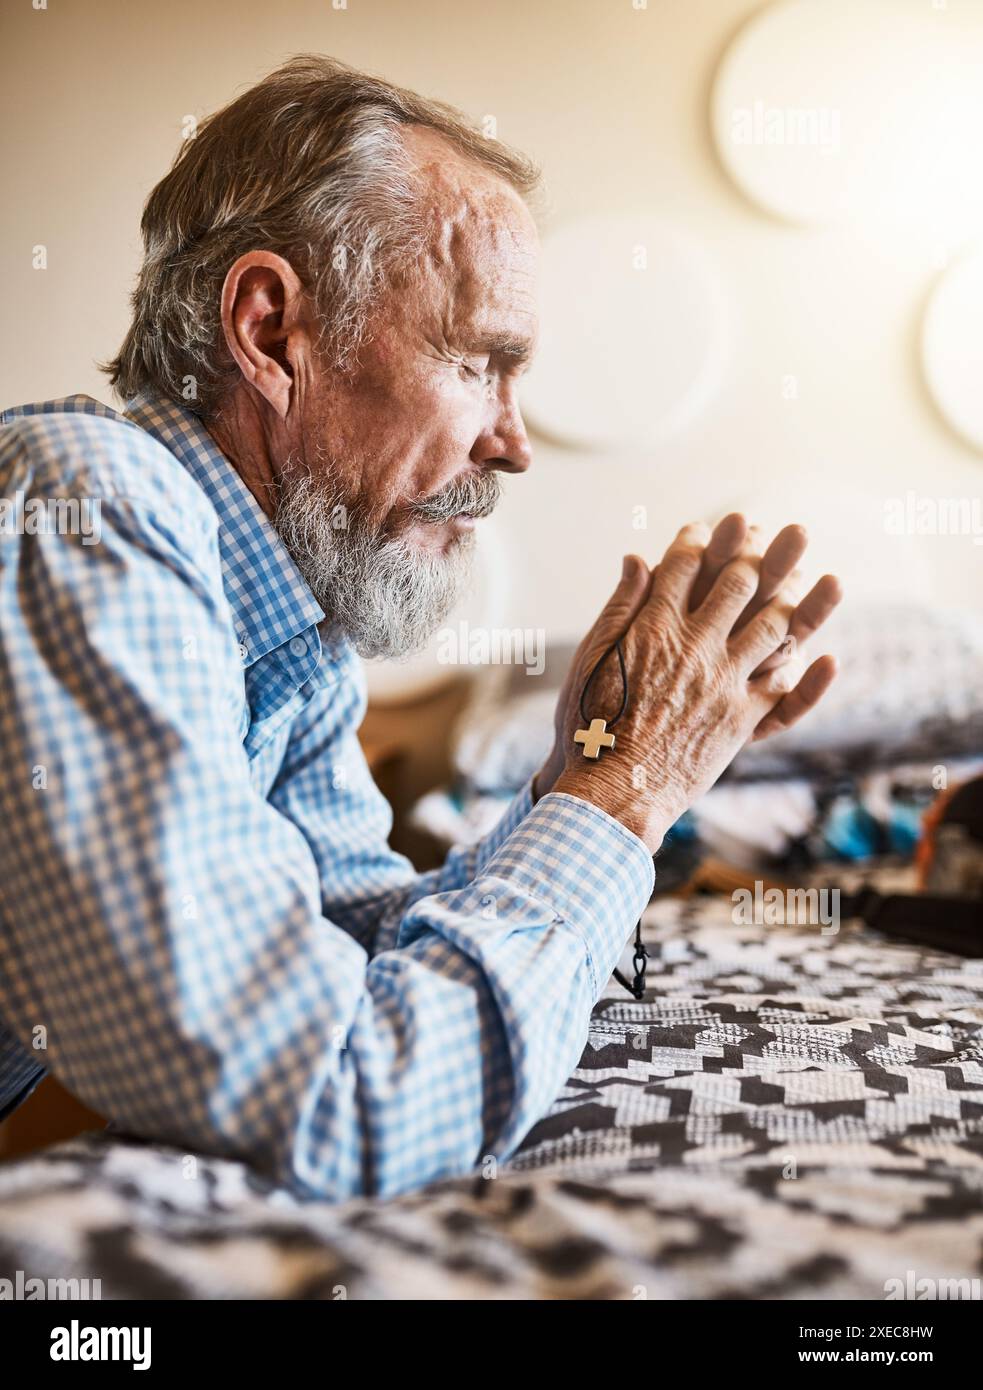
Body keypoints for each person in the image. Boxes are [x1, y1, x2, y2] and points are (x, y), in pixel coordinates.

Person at [0, 56, 840, 1199]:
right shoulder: (86, 507)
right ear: (271, 329)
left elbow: (363, 956)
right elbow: (341, 1105)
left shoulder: (285, 620)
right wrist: (628, 788)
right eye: (476, 362)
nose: (512, 443)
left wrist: (578, 772)